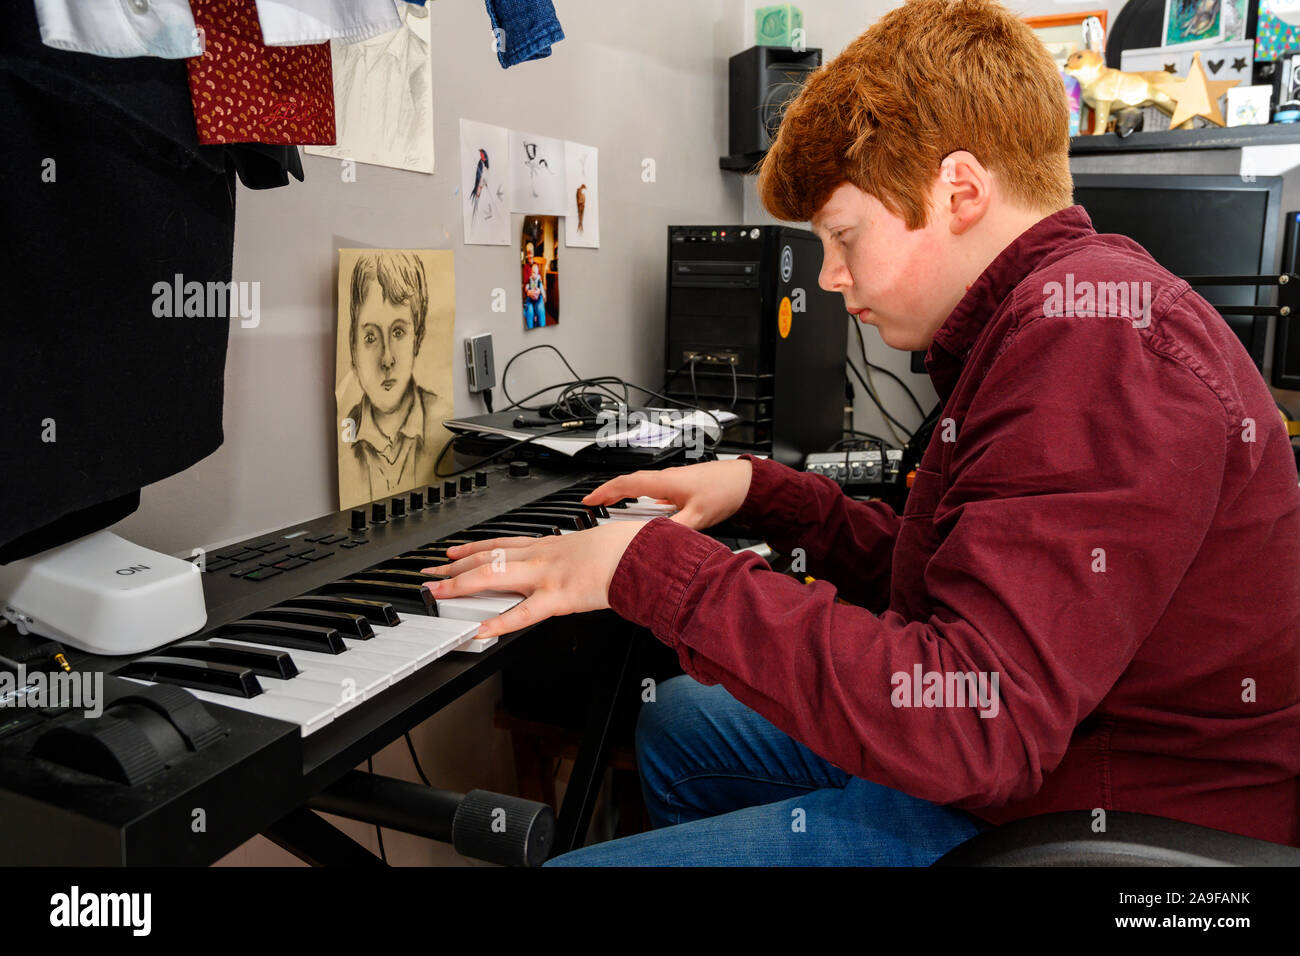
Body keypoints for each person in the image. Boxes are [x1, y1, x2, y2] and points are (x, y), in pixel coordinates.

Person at [425, 0, 1300, 864]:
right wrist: (766, 492)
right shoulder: (1043, 320)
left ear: (959, 191)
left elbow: (972, 721)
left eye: (844, 235)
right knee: (683, 722)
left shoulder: (1097, 340)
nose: (832, 277)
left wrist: (648, 569)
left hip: (1102, 809)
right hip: (1055, 744)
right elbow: (955, 585)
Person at [339, 252, 444, 507]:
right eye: (371, 337)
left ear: (417, 337)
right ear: (353, 347)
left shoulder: (440, 420)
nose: (387, 359)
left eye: (398, 332)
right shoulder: (347, 433)